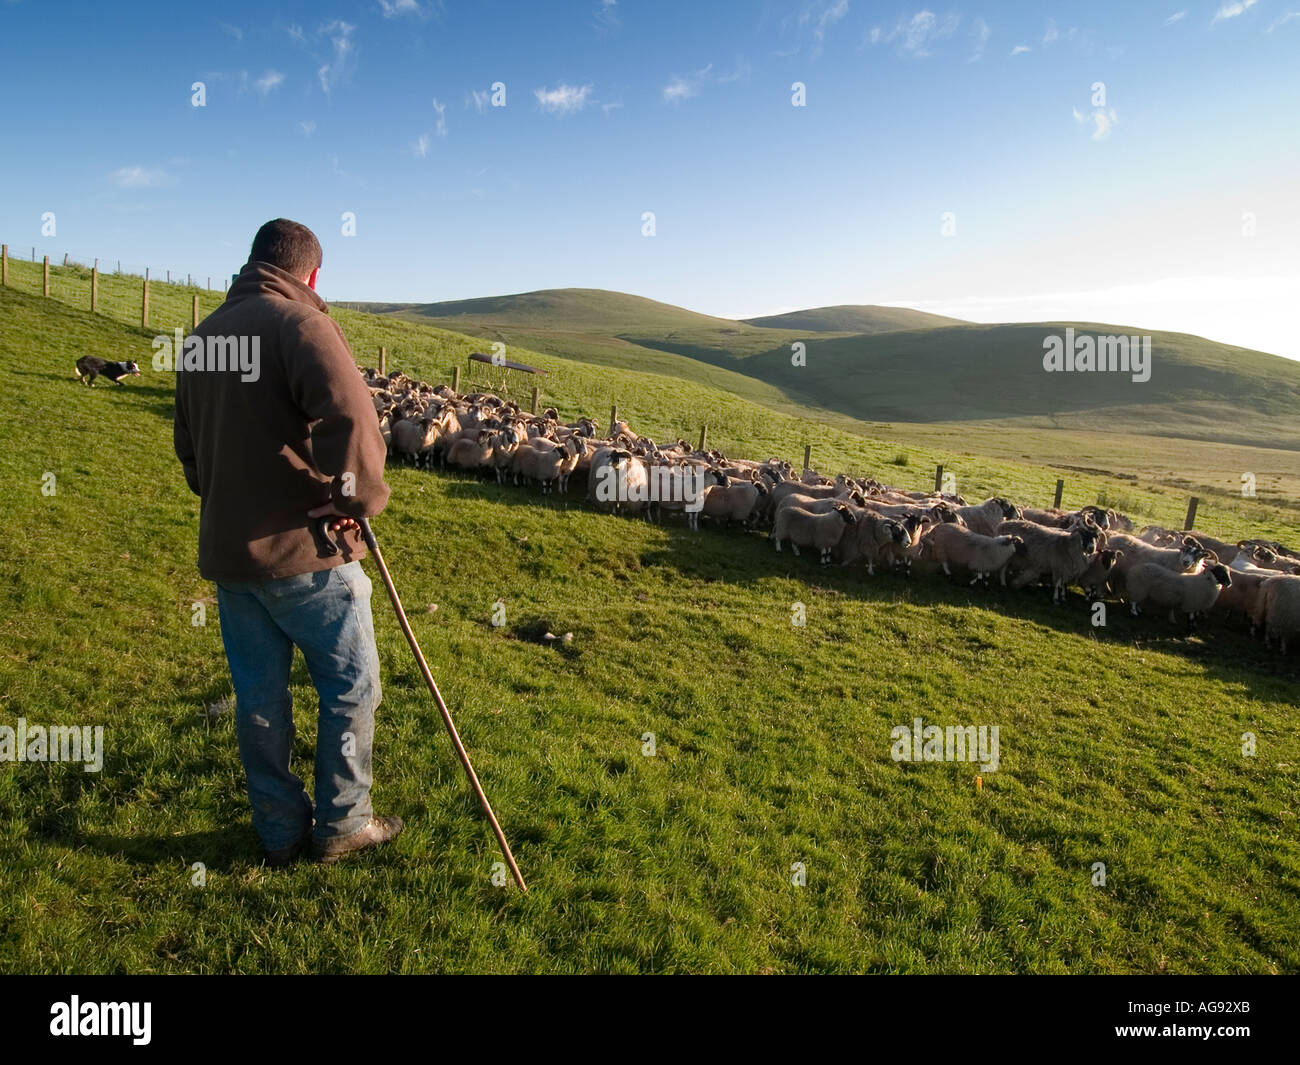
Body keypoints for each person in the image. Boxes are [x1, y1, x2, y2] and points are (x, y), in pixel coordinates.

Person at [173, 218, 401, 866]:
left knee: (260, 698)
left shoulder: (200, 339)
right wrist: (356, 498)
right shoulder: (299, 323)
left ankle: (277, 830)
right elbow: (353, 415)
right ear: (314, 274)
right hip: (307, 554)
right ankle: (341, 823)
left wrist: (226, 495)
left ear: (252, 261)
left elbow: (189, 450)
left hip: (231, 557)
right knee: (352, 687)